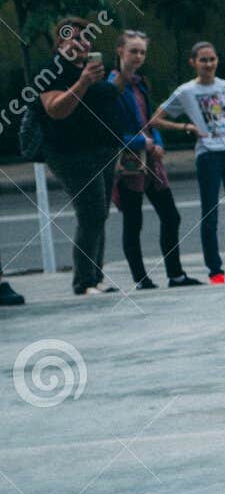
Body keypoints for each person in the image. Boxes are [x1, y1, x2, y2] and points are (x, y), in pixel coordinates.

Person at [150, 41, 225, 283]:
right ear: (193, 63)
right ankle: (216, 271)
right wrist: (186, 126)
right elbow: (155, 120)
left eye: (212, 59)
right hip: (208, 154)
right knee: (210, 212)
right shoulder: (186, 92)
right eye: (203, 60)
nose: (208, 64)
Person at [109, 30, 199, 289]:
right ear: (120, 52)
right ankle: (141, 278)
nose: (138, 56)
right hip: (129, 162)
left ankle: (176, 274)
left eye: (142, 52)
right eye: (133, 51)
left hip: (151, 160)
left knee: (171, 216)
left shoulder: (139, 83)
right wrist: (142, 142)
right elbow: (110, 130)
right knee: (133, 220)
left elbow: (149, 120)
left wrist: (157, 142)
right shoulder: (112, 86)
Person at [39, 16, 123, 295]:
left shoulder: (95, 69)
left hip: (103, 150)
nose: (82, 43)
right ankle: (84, 281)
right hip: (69, 152)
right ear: (60, 42)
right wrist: (83, 82)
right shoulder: (52, 71)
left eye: (86, 37)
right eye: (74, 37)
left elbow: (109, 101)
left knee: (100, 214)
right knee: (91, 213)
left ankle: (95, 278)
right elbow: (55, 109)